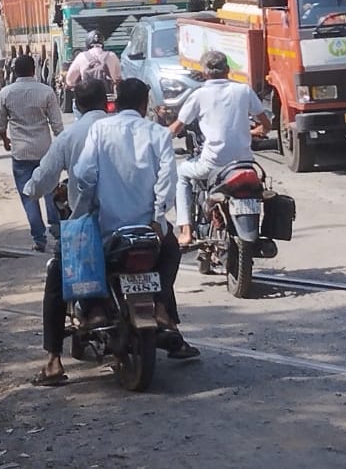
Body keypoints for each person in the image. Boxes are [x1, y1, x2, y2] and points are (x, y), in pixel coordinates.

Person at [70, 78, 199, 360]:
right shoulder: (158, 133)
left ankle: (95, 310)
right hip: (149, 230)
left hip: (108, 229)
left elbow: (83, 173)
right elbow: (167, 179)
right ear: (144, 104)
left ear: (116, 102)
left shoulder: (100, 129)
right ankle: (162, 306)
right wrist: (156, 217)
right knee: (171, 252)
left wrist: (89, 201)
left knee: (83, 258)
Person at [22, 79, 112, 385]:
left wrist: (30, 189)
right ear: (106, 102)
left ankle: (53, 361)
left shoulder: (71, 135)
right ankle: (169, 324)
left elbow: (44, 177)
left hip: (87, 226)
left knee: (56, 279)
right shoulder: (124, 129)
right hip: (130, 222)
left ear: (77, 105)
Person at [168, 50, 271, 247]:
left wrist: (158, 136)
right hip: (245, 164)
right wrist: (252, 132)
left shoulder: (199, 95)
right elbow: (266, 125)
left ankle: (186, 231)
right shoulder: (243, 91)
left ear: (204, 73)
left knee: (181, 173)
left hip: (213, 164)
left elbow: (177, 127)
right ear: (228, 70)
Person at [0, 54, 65, 252]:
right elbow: (57, 126)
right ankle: (57, 231)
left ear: (15, 72)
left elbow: (0, 124)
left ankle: (39, 239)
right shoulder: (46, 92)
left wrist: (6, 141)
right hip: (45, 151)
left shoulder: (6, 93)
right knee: (51, 191)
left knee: (28, 196)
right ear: (34, 70)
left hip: (21, 153)